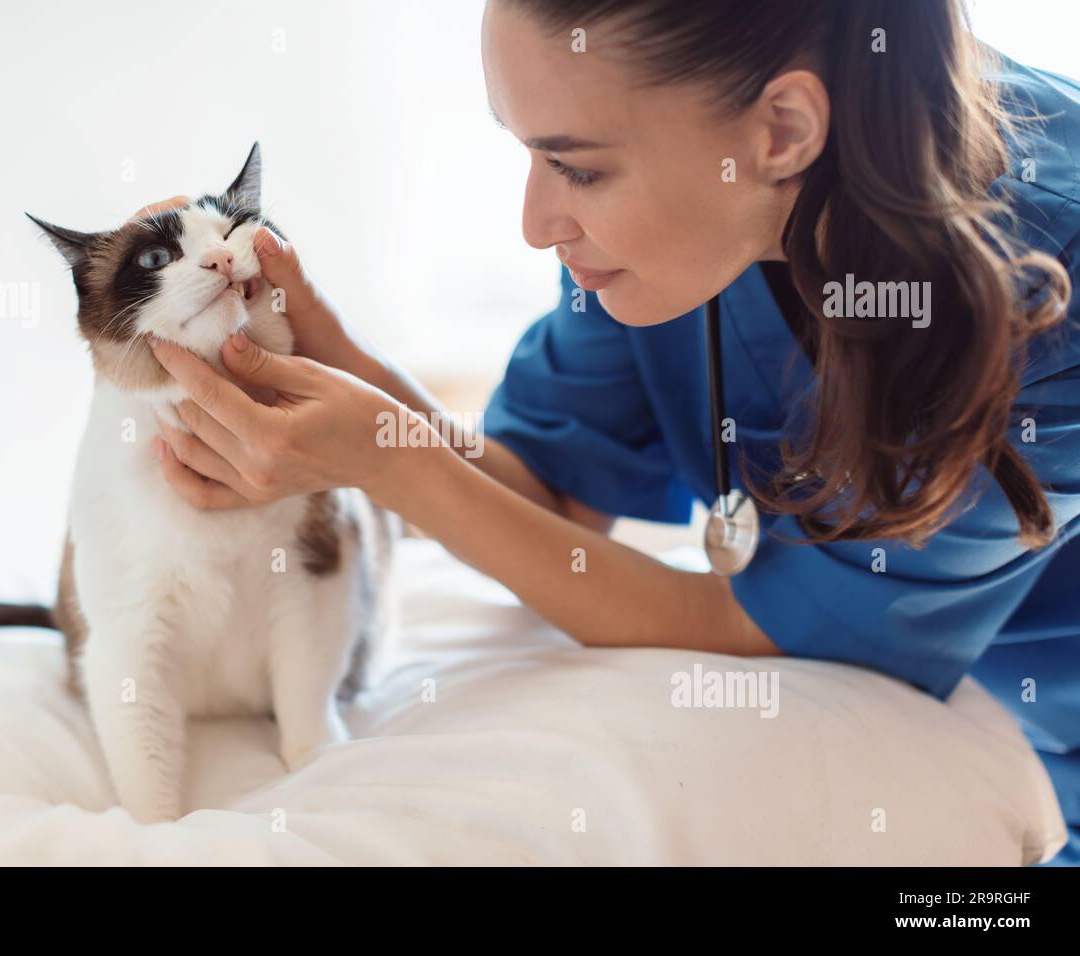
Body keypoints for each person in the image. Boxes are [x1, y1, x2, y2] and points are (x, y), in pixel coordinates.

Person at [142, 0, 1080, 865]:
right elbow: (548, 498)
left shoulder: (1041, 283)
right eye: (530, 155)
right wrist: (342, 364)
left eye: (578, 168)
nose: (536, 224)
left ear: (785, 129)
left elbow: (747, 626)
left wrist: (388, 464)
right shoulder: (678, 231)